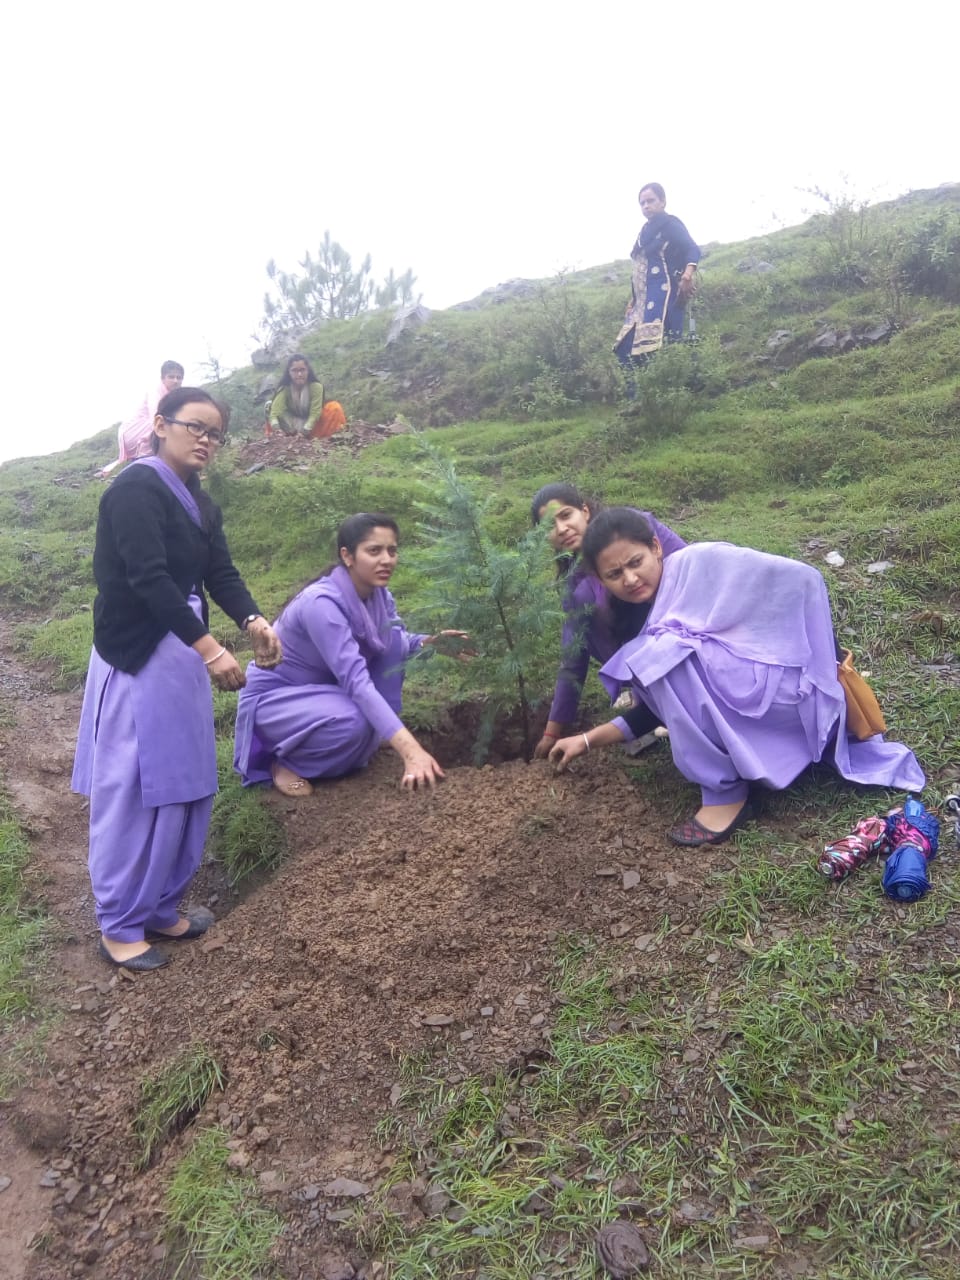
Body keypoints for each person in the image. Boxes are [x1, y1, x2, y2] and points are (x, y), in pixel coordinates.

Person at [548, 508, 924, 847]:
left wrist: (819, 664)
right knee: (659, 655)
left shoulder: (700, 563)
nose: (630, 578)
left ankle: (726, 792)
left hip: (790, 696)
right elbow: (662, 709)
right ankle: (745, 761)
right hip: (744, 700)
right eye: (615, 574)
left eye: (636, 561)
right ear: (601, 578)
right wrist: (585, 739)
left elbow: (802, 580)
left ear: (656, 548)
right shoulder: (637, 620)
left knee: (667, 654)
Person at [72, 387, 283, 971]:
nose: (206, 441)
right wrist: (212, 649)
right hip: (141, 653)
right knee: (137, 787)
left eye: (216, 434)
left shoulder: (200, 501)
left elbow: (219, 570)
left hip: (183, 651)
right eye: (196, 427)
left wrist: (253, 618)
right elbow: (147, 579)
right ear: (161, 425)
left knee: (186, 781)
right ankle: (118, 924)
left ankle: (162, 905)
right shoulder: (135, 489)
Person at [234, 513, 467, 796]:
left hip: (325, 691)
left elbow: (395, 641)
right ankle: (286, 763)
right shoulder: (321, 605)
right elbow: (355, 681)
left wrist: (429, 644)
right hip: (280, 700)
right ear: (348, 556)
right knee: (353, 722)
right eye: (374, 551)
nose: (387, 560)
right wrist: (412, 752)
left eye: (392, 551)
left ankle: (375, 733)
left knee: (391, 643)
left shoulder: (380, 596)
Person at [530, 483, 685, 759]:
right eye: (548, 525)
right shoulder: (575, 586)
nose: (561, 528)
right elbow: (574, 653)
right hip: (648, 665)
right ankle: (651, 697)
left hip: (689, 635)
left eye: (566, 515)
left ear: (585, 511)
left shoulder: (632, 528)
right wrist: (553, 730)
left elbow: (688, 569)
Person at [614, 183, 700, 373]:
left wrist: (688, 274)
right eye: (642, 202)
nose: (646, 205)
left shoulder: (670, 224)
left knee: (666, 346)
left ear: (662, 201)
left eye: (650, 200)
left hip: (666, 296)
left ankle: (679, 390)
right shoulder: (643, 233)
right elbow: (640, 268)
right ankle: (638, 399)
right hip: (642, 302)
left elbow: (692, 248)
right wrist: (633, 299)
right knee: (625, 349)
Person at [96, 361, 185, 477]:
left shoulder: (173, 395)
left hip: (147, 429)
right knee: (161, 425)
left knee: (166, 427)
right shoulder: (156, 392)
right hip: (134, 431)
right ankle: (143, 469)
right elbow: (156, 415)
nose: (175, 381)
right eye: (171, 377)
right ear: (162, 378)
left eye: (179, 378)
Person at [267, 354, 346, 439]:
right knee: (268, 406)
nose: (299, 374)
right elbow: (275, 412)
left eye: (302, 370)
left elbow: (315, 413)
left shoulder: (316, 387)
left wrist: (304, 432)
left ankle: (329, 438)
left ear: (308, 371)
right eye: (295, 371)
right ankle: (278, 439)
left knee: (334, 407)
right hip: (292, 425)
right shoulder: (285, 389)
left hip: (313, 426)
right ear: (289, 373)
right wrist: (277, 430)